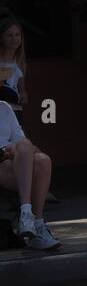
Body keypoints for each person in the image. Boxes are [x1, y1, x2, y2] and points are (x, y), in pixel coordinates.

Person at [0, 101, 59, 250]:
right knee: (27, 149)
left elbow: (20, 141)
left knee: (42, 159)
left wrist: (14, 150)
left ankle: (31, 220)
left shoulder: (4, 108)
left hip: (13, 161)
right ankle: (32, 219)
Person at [0, 14, 28, 123]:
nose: (14, 39)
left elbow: (22, 90)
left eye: (17, 35)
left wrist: (23, 95)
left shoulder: (19, 62)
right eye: (9, 35)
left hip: (15, 112)